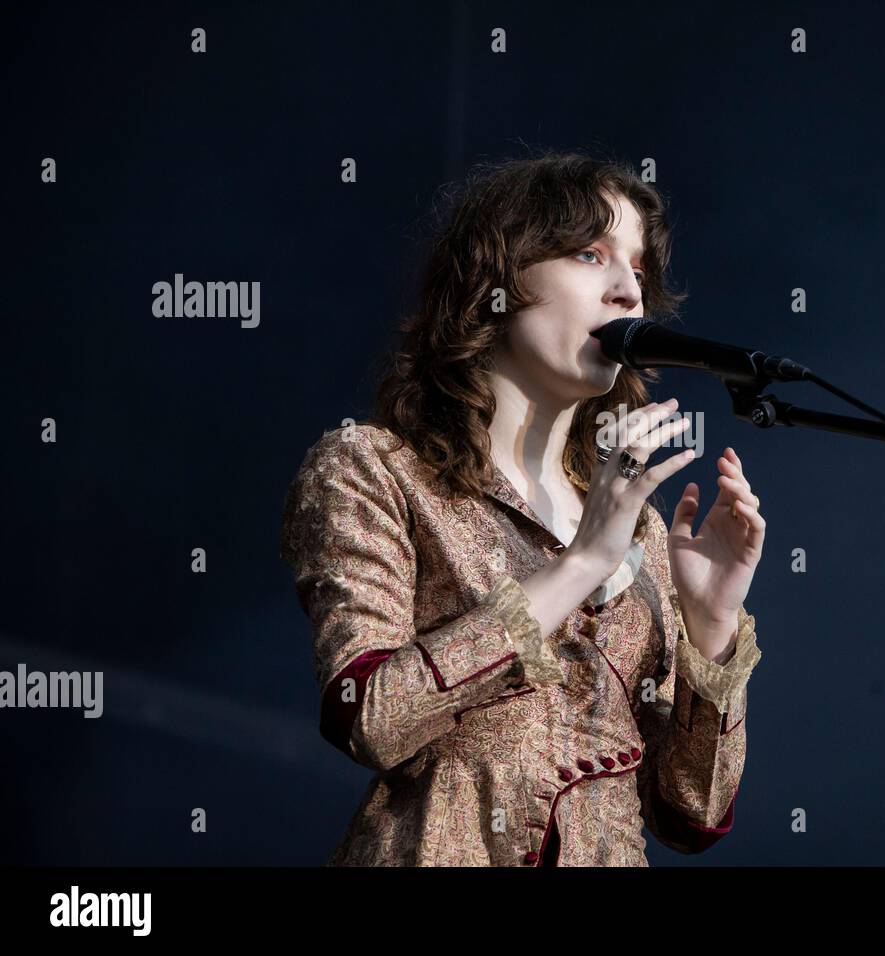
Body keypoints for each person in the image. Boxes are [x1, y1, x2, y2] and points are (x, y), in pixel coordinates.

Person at [278, 151, 765, 866]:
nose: (628, 292)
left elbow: (690, 814)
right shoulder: (374, 469)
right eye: (589, 253)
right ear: (495, 279)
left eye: (637, 269)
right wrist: (582, 565)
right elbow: (370, 719)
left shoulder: (639, 521)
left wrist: (711, 629)